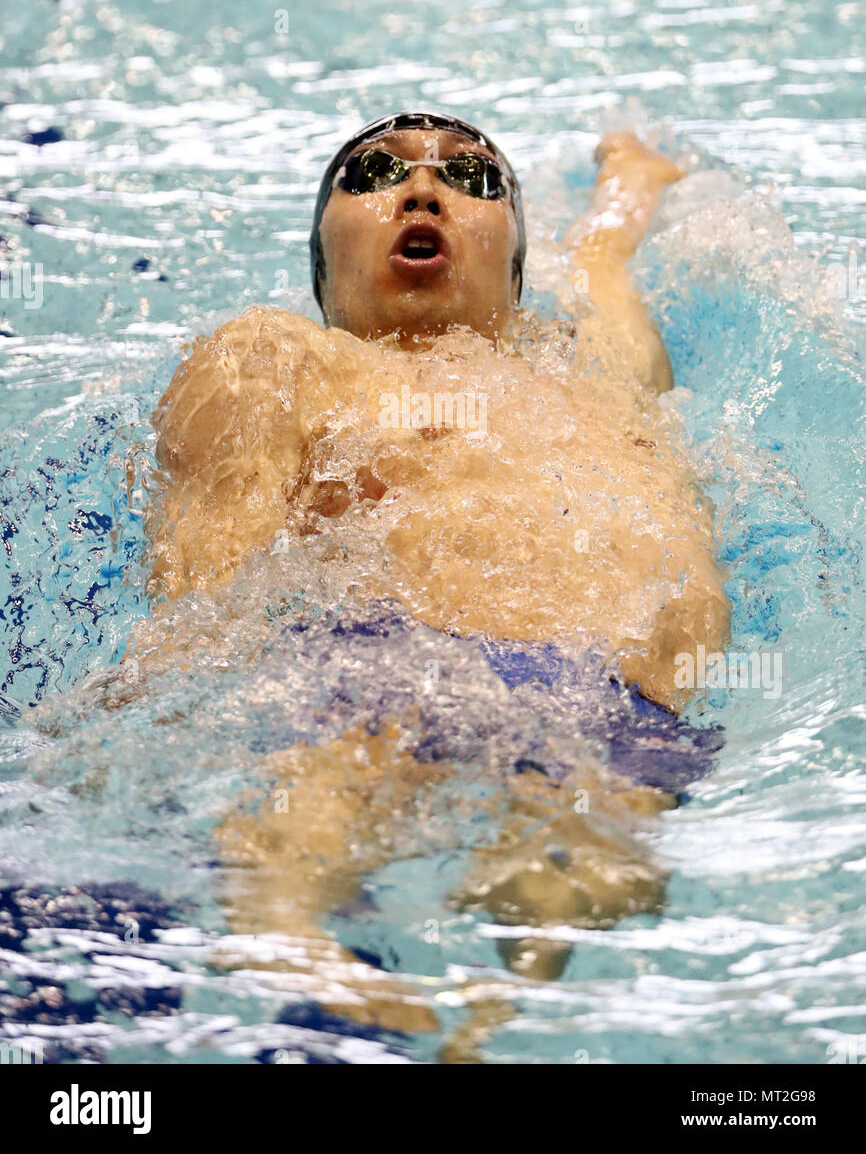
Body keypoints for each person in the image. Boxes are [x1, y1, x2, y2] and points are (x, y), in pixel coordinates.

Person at [141, 111, 730, 1030]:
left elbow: (603, 261)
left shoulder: (593, 369)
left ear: (516, 268)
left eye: (476, 180)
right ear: (324, 267)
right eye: (373, 173)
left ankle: (493, 1021)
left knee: (577, 864)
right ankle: (282, 926)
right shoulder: (280, 358)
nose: (422, 189)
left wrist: (634, 173)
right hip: (379, 665)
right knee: (327, 788)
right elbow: (205, 590)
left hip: (615, 704)